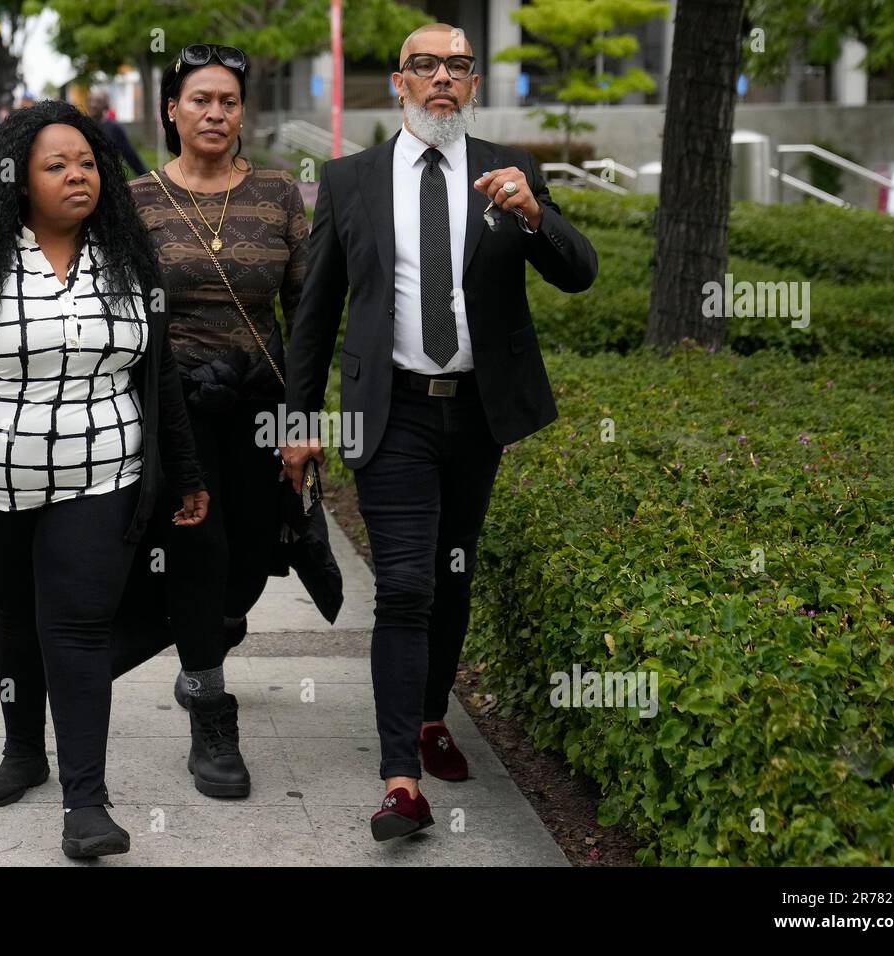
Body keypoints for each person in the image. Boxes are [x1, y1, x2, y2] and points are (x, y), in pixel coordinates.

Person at [279, 23, 598, 841]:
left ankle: (428, 715)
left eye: (458, 65)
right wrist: (296, 420)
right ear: (399, 83)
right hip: (394, 412)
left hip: (479, 412)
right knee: (408, 585)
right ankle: (400, 781)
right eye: (427, 66)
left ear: (473, 83)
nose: (443, 79)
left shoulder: (511, 170)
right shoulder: (351, 181)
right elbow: (314, 317)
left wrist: (534, 217)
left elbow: (578, 273)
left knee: (454, 573)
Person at [0, 100, 210, 859]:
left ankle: (86, 803)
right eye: (55, 164)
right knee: (15, 615)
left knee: (76, 625)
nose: (77, 175)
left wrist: (185, 470)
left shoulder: (131, 263)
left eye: (87, 162)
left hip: (103, 477)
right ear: (17, 180)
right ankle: (23, 750)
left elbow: (158, 378)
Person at [119, 43, 309, 798]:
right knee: (198, 546)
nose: (214, 113)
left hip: (260, 397)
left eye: (227, 101)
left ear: (242, 112)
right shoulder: (134, 200)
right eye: (199, 100)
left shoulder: (280, 193)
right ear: (172, 109)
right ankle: (208, 704)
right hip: (176, 401)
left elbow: (306, 307)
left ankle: (212, 627)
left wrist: (305, 415)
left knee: (254, 552)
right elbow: (123, 311)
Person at [88, 88, 147, 176]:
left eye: (98, 101)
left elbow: (131, 157)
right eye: (91, 101)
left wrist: (146, 177)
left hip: (109, 181)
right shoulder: (82, 127)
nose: (93, 105)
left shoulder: (114, 129)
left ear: (106, 105)